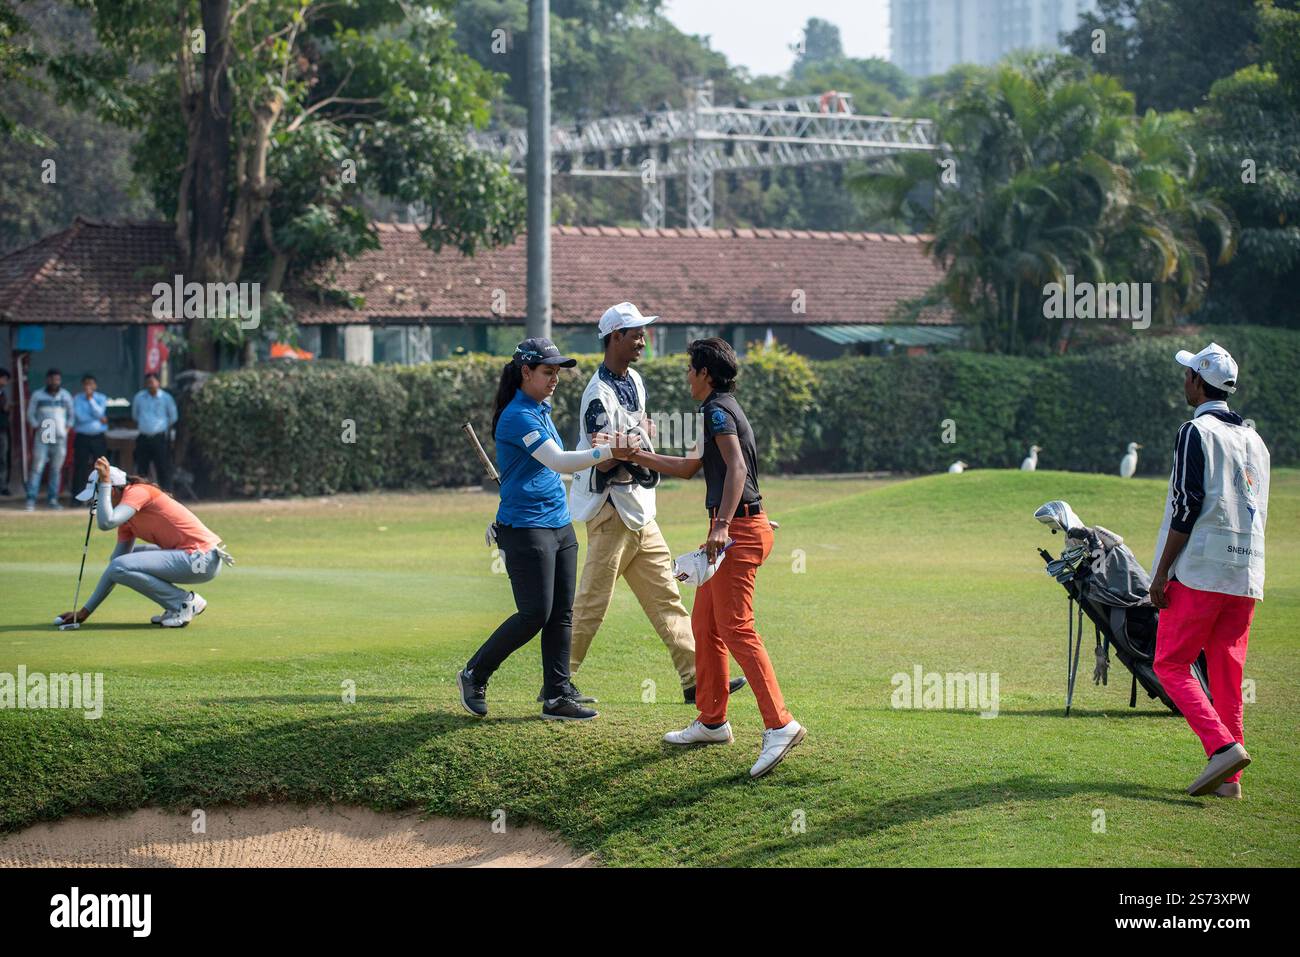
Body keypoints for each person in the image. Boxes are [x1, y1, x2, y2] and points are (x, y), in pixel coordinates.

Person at [628, 337, 805, 778]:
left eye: (691, 368)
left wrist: (725, 525)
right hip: (740, 526)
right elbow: (691, 469)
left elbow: (738, 468)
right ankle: (711, 720)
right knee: (705, 625)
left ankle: (780, 724)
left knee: (736, 628)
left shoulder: (716, 411)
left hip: (737, 532)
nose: (687, 375)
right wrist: (637, 455)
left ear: (705, 372)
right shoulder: (721, 408)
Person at [566, 302, 748, 704]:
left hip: (640, 509)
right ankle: (558, 682)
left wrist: (636, 438)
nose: (643, 341)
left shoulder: (636, 381)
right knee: (592, 604)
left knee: (667, 597)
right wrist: (633, 440)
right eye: (636, 334)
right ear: (615, 337)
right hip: (611, 510)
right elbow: (604, 455)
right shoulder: (596, 394)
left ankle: (695, 679)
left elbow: (632, 440)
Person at [457, 338, 640, 722]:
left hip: (558, 522)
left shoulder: (541, 408)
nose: (555, 378)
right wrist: (611, 451)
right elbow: (558, 462)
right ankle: (475, 673)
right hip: (525, 527)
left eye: (557, 372)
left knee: (561, 613)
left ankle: (557, 695)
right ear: (526, 372)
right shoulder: (517, 416)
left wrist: (609, 448)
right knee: (534, 614)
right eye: (547, 371)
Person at [1150, 342, 1269, 799]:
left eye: (1188, 375)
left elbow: (1186, 506)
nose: (1184, 382)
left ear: (1199, 383)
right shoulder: (1256, 441)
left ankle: (1221, 748)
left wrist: (1161, 574)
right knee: (1226, 675)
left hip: (1200, 568)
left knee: (1171, 663)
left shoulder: (1194, 432)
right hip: (1246, 571)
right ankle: (1230, 783)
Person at [55, 456, 230, 629]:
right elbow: (114, 568)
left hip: (202, 559)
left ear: (112, 491)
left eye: (97, 498)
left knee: (120, 565)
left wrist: (105, 483)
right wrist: (85, 611)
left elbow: (106, 522)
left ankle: (183, 603)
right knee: (120, 563)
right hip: (191, 558)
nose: (93, 503)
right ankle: (176, 605)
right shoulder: (127, 521)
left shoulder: (138, 491)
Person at [25, 367, 74, 511]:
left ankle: (52, 500)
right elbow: (30, 414)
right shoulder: (38, 395)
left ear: (60, 380)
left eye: (57, 379)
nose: (54, 382)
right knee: (37, 468)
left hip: (59, 437)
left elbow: (71, 416)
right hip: (43, 436)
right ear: (47, 379)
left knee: (56, 469)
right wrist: (37, 427)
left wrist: (66, 429)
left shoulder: (65, 395)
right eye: (52, 379)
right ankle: (31, 500)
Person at [132, 372, 178, 491]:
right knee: (142, 468)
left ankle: (167, 494)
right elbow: (135, 416)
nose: (151, 385)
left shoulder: (166, 398)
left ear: (158, 383)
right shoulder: (139, 397)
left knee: (163, 467)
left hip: (160, 438)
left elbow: (173, 417)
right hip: (143, 437)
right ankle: (141, 494)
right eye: (148, 382)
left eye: (153, 382)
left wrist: (160, 427)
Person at [72, 374, 110, 493]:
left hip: (98, 437)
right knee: (80, 466)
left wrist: (91, 400)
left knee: (101, 467)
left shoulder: (101, 398)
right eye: (86, 384)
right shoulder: (77, 399)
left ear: (95, 385)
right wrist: (97, 418)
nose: (89, 386)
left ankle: (101, 495)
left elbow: (100, 412)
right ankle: (77, 497)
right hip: (82, 437)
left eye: (91, 384)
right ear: (83, 386)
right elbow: (80, 417)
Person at [0, 368, 11, 496]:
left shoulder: (3, 394)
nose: (5, 381)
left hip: (2, 430)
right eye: (3, 378)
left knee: (2, 459)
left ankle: (2, 486)